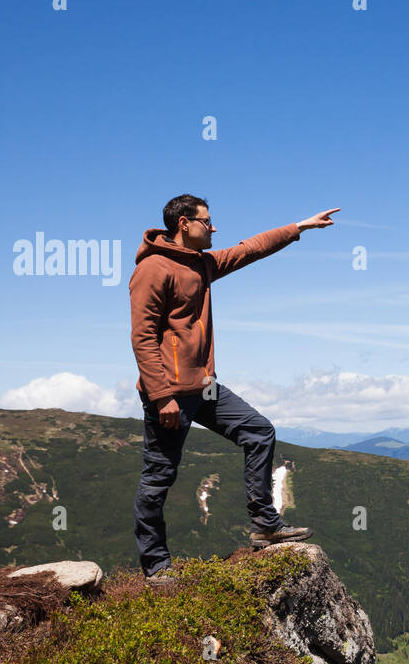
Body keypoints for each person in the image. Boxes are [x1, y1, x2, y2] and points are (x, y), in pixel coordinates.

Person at [129, 194, 340, 583]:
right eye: (206, 222)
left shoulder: (203, 264)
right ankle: (156, 567)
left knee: (259, 432)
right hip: (170, 391)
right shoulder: (154, 269)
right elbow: (142, 337)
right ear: (184, 225)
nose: (213, 228)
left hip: (204, 386)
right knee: (159, 476)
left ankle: (265, 525)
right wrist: (162, 396)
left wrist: (299, 227)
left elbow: (249, 250)